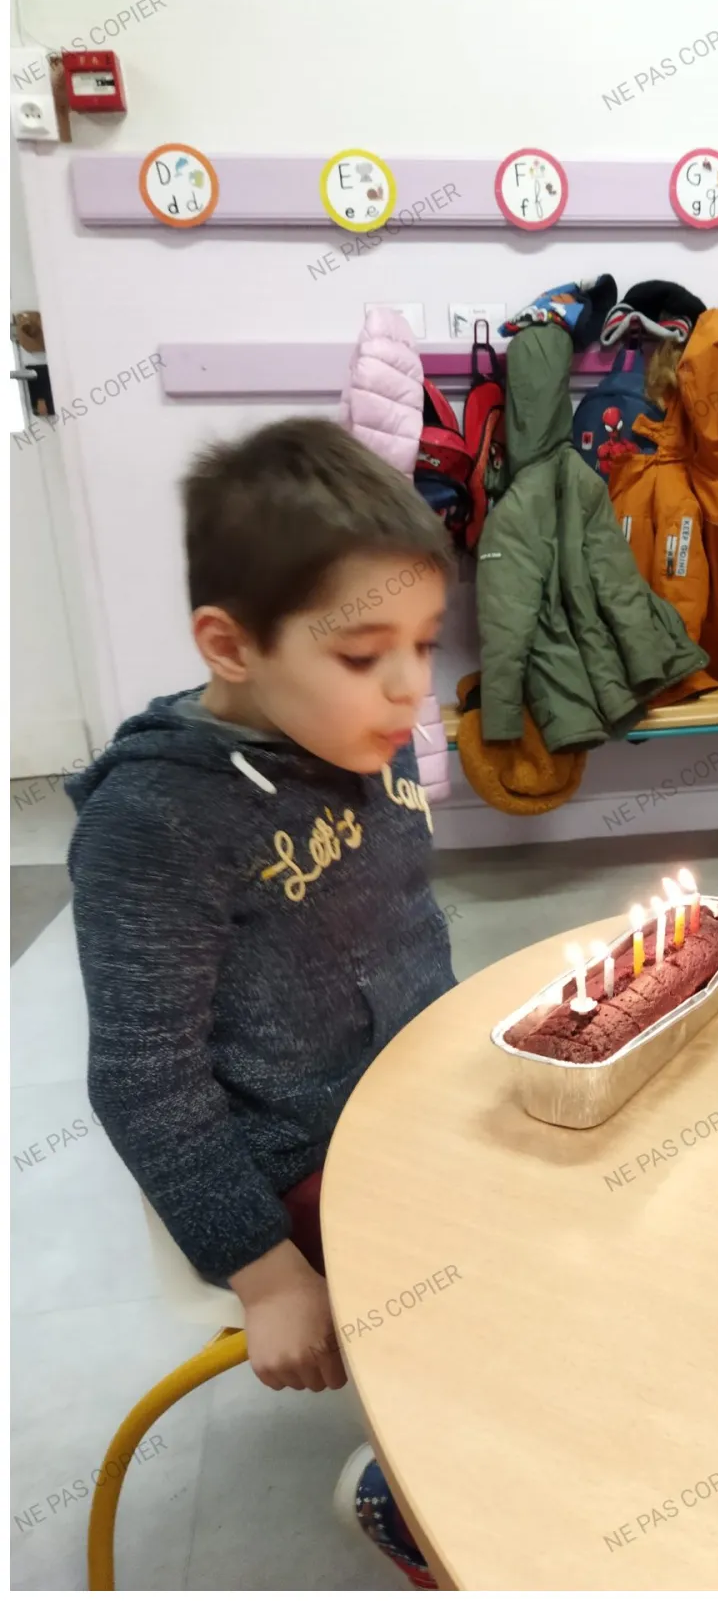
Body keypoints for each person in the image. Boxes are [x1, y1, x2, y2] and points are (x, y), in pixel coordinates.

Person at [66, 418, 453, 1584]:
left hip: (418, 1101)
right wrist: (265, 1270)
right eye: (364, 654)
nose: (409, 687)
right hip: (301, 1160)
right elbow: (143, 1079)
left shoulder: (362, 734)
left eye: (424, 644)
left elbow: (405, 930)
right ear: (230, 646)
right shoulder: (152, 826)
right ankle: (427, 1505)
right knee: (486, 1272)